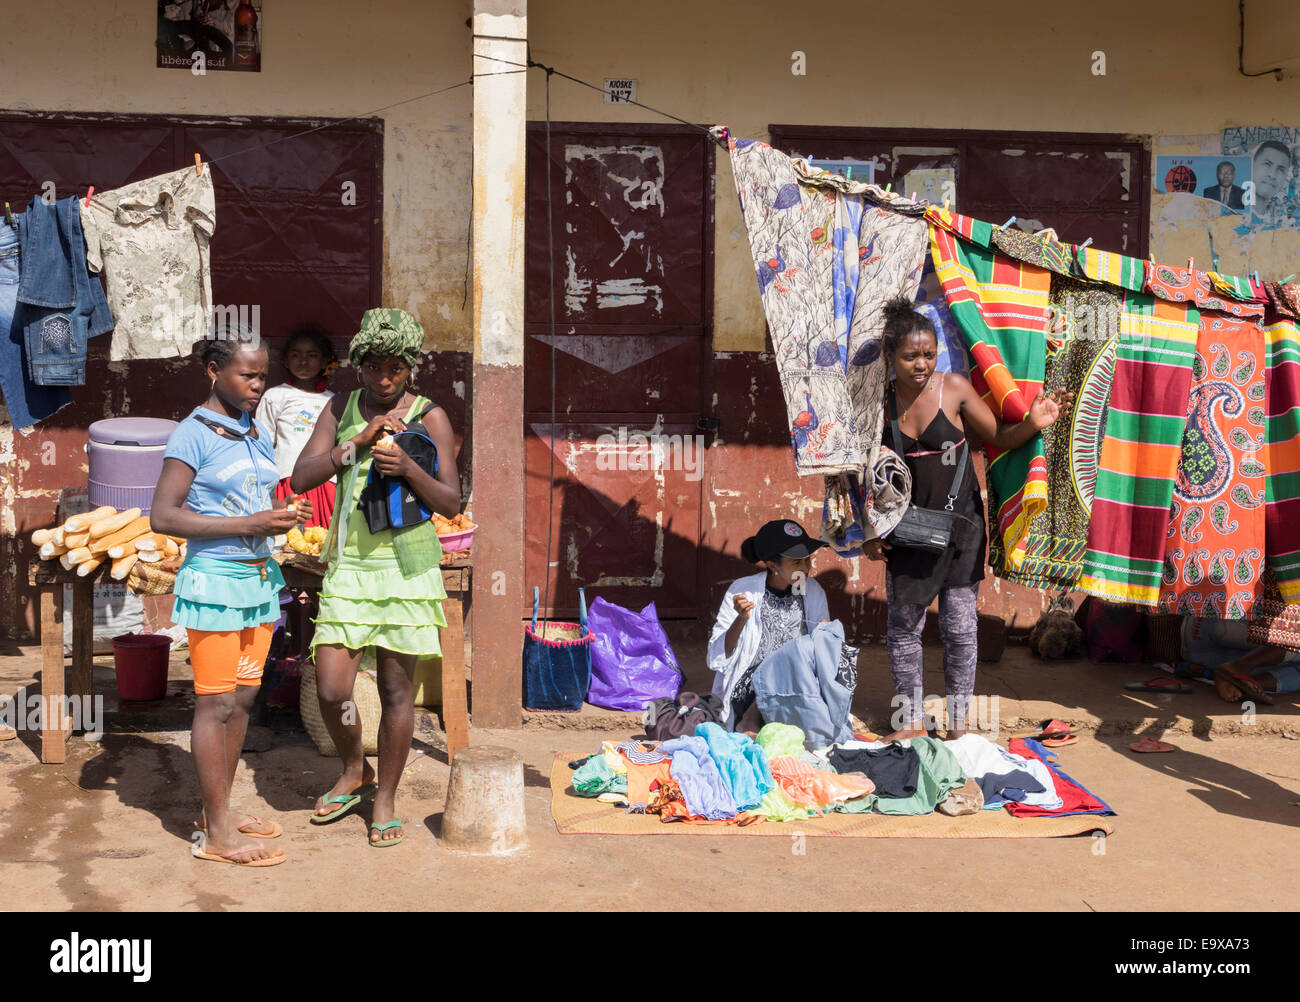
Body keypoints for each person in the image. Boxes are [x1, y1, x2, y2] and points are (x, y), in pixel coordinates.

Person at [291, 308, 461, 847]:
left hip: (407, 569)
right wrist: (359, 443)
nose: (384, 379)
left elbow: (452, 502)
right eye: (373, 368)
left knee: (395, 691)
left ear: (410, 367)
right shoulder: (341, 409)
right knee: (333, 686)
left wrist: (409, 468)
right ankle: (352, 767)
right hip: (350, 568)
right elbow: (301, 475)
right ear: (358, 367)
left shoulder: (431, 416)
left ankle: (384, 794)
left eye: (395, 368)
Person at [865, 297, 1069, 741]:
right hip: (907, 535)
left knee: (960, 630)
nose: (921, 364)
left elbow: (999, 436)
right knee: (904, 630)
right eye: (909, 356)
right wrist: (868, 533)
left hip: (962, 531)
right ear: (890, 356)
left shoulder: (954, 388)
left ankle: (958, 722)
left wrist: (1034, 422)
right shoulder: (876, 405)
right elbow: (856, 472)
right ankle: (911, 722)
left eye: (928, 353)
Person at [151, 326, 312, 866]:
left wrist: (284, 519)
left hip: (258, 581)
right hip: (214, 584)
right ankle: (217, 835)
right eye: (248, 375)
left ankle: (216, 808)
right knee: (215, 704)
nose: (258, 385)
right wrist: (252, 520)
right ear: (214, 371)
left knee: (243, 700)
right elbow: (164, 516)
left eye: (263, 376)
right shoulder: (191, 435)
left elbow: (257, 504)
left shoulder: (252, 432)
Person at [707, 519, 833, 736]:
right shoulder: (743, 590)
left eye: (807, 560)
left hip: (797, 685)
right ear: (773, 566)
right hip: (751, 688)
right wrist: (741, 619)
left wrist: (825, 638)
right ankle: (748, 721)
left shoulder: (813, 591)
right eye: (796, 563)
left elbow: (823, 653)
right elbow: (717, 657)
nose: (805, 568)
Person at [256, 326, 339, 530]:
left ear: (324, 361)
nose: (303, 362)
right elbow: (262, 444)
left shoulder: (335, 401)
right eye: (295, 355)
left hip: (326, 481)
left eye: (312, 355)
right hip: (289, 479)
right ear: (285, 360)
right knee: (291, 537)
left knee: (323, 539)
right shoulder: (275, 396)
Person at [1177, 617, 1300, 707]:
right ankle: (1240, 676)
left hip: (1200, 637)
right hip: (1203, 629)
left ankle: (1243, 682)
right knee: (1293, 632)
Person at [1250, 140, 1293, 227]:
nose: (1272, 175)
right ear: (1252, 164)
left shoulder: (1282, 225)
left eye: (1280, 169)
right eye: (1267, 164)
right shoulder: (1229, 212)